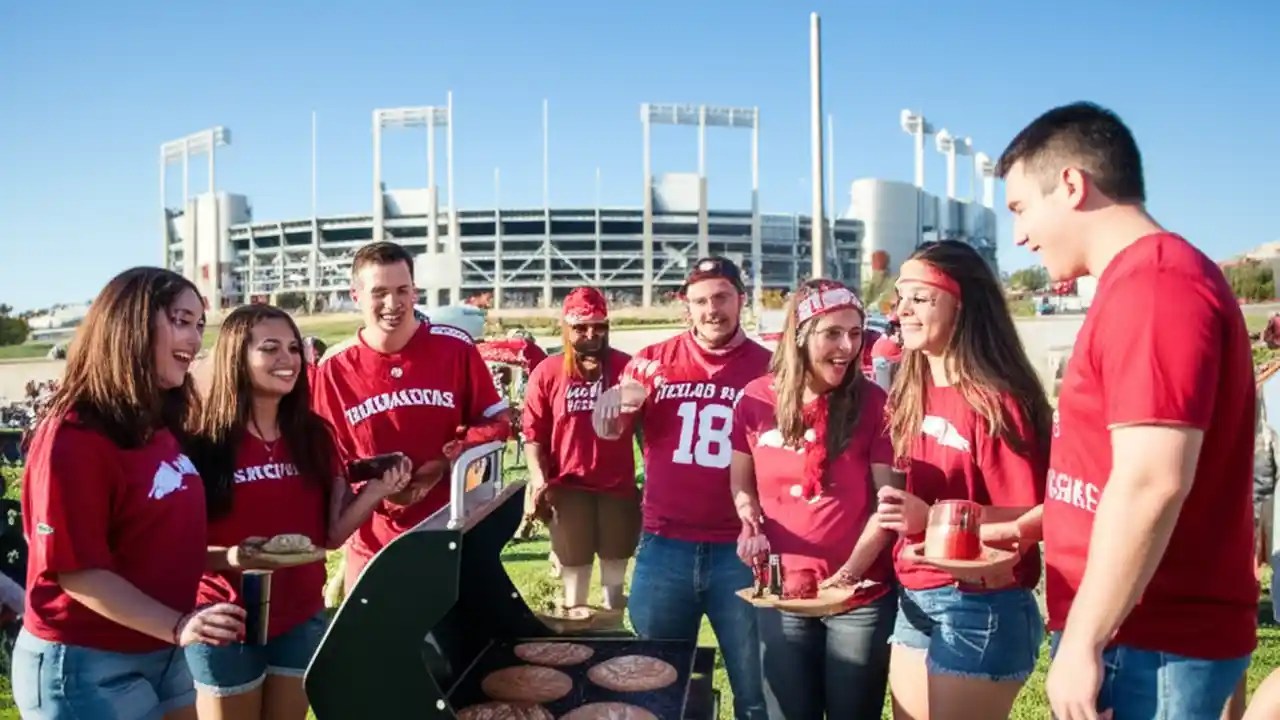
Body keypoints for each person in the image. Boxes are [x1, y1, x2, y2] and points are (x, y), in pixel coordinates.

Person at [995, 101, 1256, 719]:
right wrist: (1048, 521)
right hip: (1134, 632)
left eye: (1020, 208)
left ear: (1071, 185)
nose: (1019, 236)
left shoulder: (1156, 286)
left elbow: (1152, 480)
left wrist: (1084, 640)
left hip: (1145, 638)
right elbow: (1118, 468)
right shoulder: (1136, 282)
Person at [11, 267, 246, 719]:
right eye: (181, 320)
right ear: (131, 326)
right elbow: (78, 573)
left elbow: (152, 544)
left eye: (199, 325)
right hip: (86, 660)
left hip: (164, 644)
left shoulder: (155, 425)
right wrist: (179, 625)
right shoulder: (73, 436)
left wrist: (233, 556)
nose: (195, 339)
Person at [183, 304, 412, 720]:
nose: (287, 359)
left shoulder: (315, 436)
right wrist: (236, 556)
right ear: (237, 355)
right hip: (222, 619)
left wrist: (380, 489)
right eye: (270, 348)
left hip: (299, 618)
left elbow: (332, 535)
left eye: (293, 347)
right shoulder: (201, 443)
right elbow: (175, 548)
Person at [874, 241, 1051, 720]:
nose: (902, 309)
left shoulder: (996, 402)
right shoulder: (911, 390)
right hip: (915, 595)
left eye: (921, 298)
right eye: (900, 296)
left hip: (981, 603)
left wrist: (930, 518)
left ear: (962, 305)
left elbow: (1029, 516)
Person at [593, 257, 770, 720]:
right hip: (664, 544)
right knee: (653, 685)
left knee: (755, 689)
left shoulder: (771, 367)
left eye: (722, 297)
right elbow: (614, 425)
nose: (712, 309)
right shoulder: (652, 361)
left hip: (742, 549)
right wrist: (612, 410)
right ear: (686, 306)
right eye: (700, 301)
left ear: (741, 300)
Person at [730, 279, 899, 719]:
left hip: (859, 598)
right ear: (801, 335)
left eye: (856, 333)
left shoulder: (874, 402)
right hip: (784, 595)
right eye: (833, 333)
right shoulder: (755, 399)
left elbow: (890, 502)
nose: (848, 347)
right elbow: (742, 481)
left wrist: (847, 575)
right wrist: (748, 516)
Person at [311, 241, 511, 594]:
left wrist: (448, 458)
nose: (393, 304)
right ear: (355, 296)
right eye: (379, 292)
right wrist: (379, 486)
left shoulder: (454, 347)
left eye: (402, 290)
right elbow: (328, 462)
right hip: (373, 543)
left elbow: (497, 423)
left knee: (458, 646)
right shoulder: (334, 369)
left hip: (452, 531)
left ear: (414, 291)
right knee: (376, 645)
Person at [523, 287, 639, 612]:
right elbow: (533, 434)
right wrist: (537, 480)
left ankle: (613, 633)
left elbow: (649, 426)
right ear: (567, 328)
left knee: (615, 567)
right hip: (568, 484)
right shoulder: (548, 371)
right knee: (575, 569)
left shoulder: (626, 368)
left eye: (599, 326)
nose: (591, 334)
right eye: (582, 327)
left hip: (617, 484)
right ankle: (575, 632)